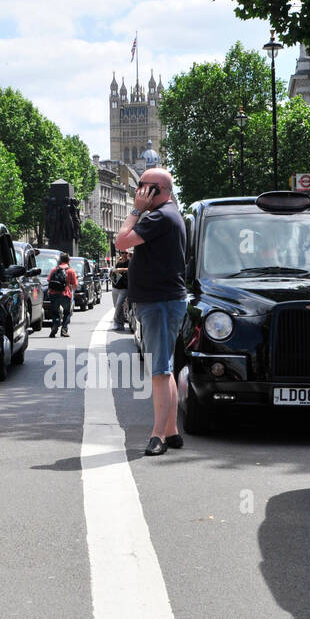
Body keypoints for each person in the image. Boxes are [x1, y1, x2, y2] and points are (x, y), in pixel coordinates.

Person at [114, 167, 186, 456]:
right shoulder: (167, 215)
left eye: (142, 186)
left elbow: (121, 241)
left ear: (157, 190)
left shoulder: (159, 217)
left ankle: (158, 435)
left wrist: (134, 210)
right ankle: (171, 430)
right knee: (164, 368)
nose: (137, 190)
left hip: (160, 302)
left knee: (159, 371)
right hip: (162, 301)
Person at [47, 253, 78, 338]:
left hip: (54, 294)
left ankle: (55, 325)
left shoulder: (54, 270)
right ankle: (64, 329)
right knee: (67, 313)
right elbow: (75, 285)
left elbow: (49, 280)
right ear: (68, 261)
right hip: (65, 294)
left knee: (55, 313)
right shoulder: (71, 271)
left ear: (60, 260)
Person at [111, 250, 131, 330]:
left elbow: (130, 269)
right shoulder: (118, 262)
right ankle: (120, 324)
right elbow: (114, 271)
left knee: (119, 305)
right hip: (115, 286)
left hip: (124, 288)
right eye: (122, 253)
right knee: (117, 307)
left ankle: (116, 322)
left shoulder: (130, 262)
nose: (124, 254)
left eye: (126, 253)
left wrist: (120, 269)